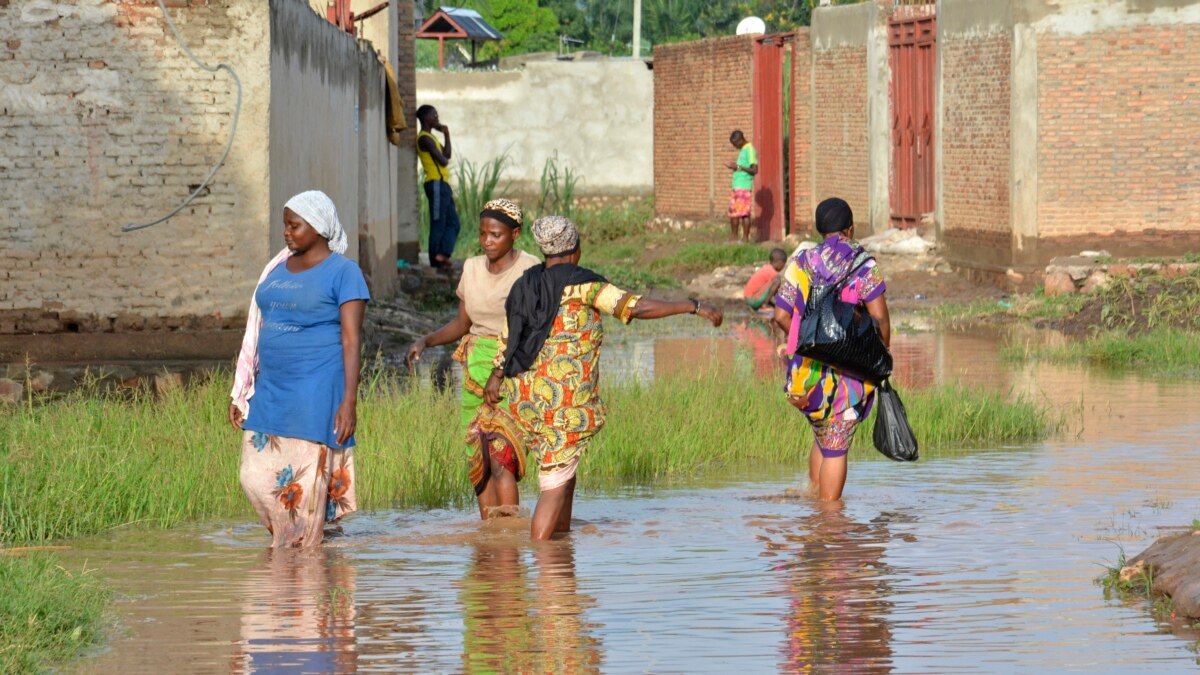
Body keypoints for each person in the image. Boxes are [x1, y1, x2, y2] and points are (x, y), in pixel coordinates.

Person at [481, 215, 724, 540]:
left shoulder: (525, 284)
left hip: (527, 397)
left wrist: (496, 376)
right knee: (553, 485)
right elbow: (633, 307)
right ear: (574, 249)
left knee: (563, 473)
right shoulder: (585, 286)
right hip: (563, 402)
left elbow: (507, 337)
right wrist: (692, 306)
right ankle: (542, 561)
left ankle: (560, 546)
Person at [229, 190, 370, 547]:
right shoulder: (276, 267)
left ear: (320, 228)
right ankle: (292, 545)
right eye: (285, 225)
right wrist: (242, 389)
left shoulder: (344, 273)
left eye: (295, 225)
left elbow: (352, 341)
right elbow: (257, 325)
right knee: (254, 476)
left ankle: (301, 576)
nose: (287, 233)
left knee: (306, 487)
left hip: (317, 388)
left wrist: (349, 401)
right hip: (271, 388)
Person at [405, 199, 539, 519]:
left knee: (501, 458)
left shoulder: (529, 268)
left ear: (515, 234)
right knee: (478, 460)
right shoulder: (472, 268)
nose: (488, 241)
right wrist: (426, 340)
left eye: (496, 235)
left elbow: (531, 329)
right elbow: (462, 324)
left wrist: (500, 371)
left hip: (511, 371)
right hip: (473, 370)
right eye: (482, 234)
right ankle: (488, 545)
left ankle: (508, 541)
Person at [772, 198, 890, 502]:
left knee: (822, 434)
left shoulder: (801, 261)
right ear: (850, 229)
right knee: (836, 446)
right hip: (846, 377)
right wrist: (878, 358)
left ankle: (813, 508)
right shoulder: (864, 265)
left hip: (805, 376)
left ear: (819, 230)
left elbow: (780, 316)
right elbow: (880, 319)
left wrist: (811, 345)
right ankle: (828, 525)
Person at [416, 104, 461, 269]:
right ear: (426, 119)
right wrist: (442, 154)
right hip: (434, 184)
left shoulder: (433, 138)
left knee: (454, 223)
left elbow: (447, 154)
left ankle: (443, 254)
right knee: (438, 222)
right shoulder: (424, 138)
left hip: (443, 185)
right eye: (434, 116)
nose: (437, 119)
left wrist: (446, 135)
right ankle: (435, 260)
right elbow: (443, 160)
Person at [725, 129, 758, 242]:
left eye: (735, 144)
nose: (735, 147)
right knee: (737, 213)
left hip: (743, 187)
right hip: (739, 187)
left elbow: (754, 169)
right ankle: (736, 239)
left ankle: (741, 239)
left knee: (741, 214)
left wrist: (737, 167)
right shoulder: (744, 149)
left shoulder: (749, 149)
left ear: (740, 140)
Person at [743, 247, 788, 314]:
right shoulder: (774, 274)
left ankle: (764, 304)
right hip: (753, 300)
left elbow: (769, 291)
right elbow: (776, 293)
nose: (783, 267)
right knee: (777, 281)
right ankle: (764, 305)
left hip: (748, 298)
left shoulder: (766, 268)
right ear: (780, 263)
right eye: (783, 264)